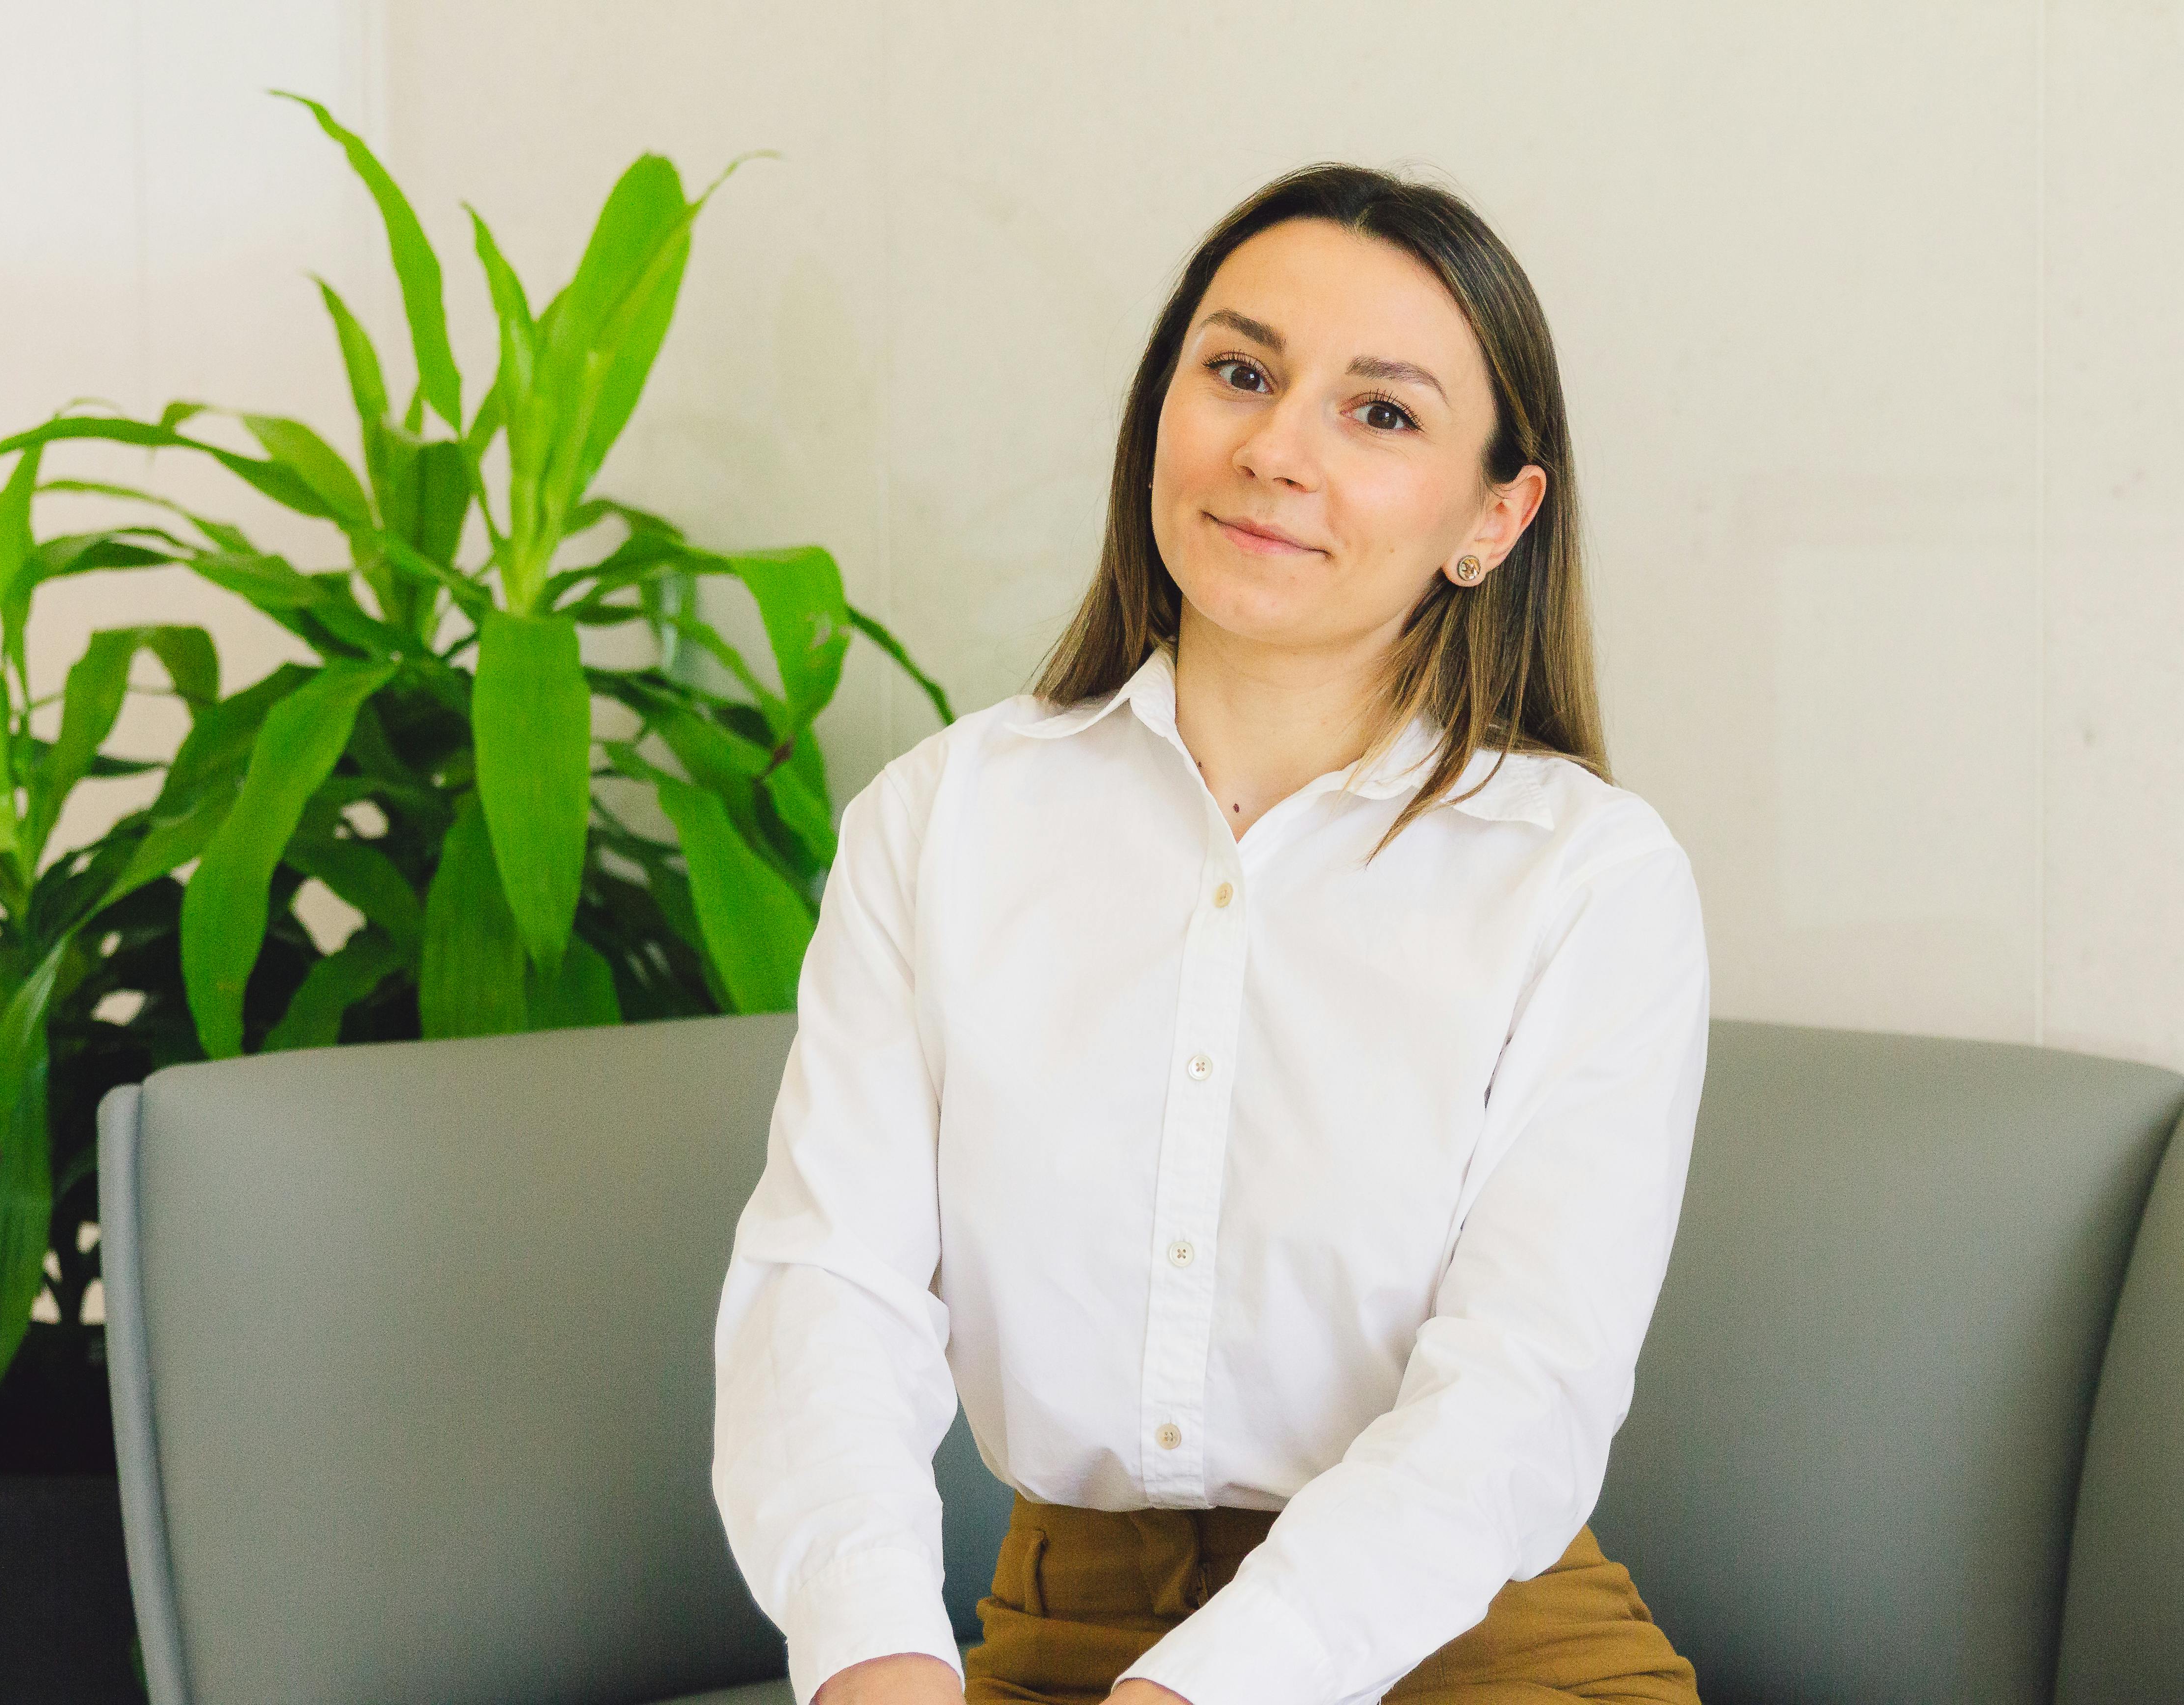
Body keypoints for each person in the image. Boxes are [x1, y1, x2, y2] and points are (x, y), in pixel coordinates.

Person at [712, 162, 1711, 1705]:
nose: (1274, 450)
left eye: (1380, 416)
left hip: (1470, 1645)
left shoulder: (1586, 879)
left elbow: (1522, 1393)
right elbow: (827, 1291)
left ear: (1495, 518)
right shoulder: (945, 819)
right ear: (1158, 415)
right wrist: (873, 1664)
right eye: (1239, 373)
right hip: (1059, 1633)